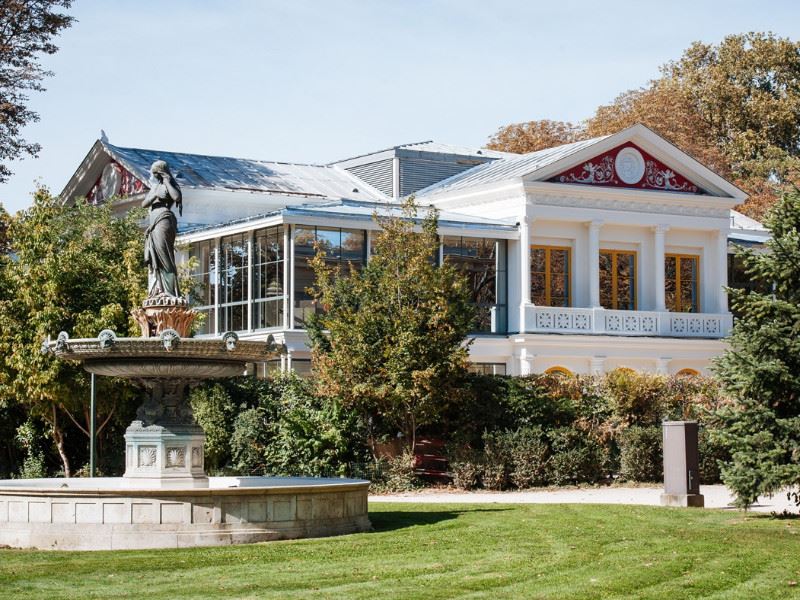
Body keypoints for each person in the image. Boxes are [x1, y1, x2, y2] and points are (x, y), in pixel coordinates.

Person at [142, 160, 183, 298]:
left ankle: (169, 291)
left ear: (161, 172)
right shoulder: (155, 187)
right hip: (154, 224)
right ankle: (159, 288)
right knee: (157, 258)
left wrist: (167, 181)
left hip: (164, 220)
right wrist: (155, 194)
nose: (155, 176)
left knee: (165, 255)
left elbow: (176, 197)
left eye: (156, 173)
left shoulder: (170, 184)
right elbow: (144, 203)